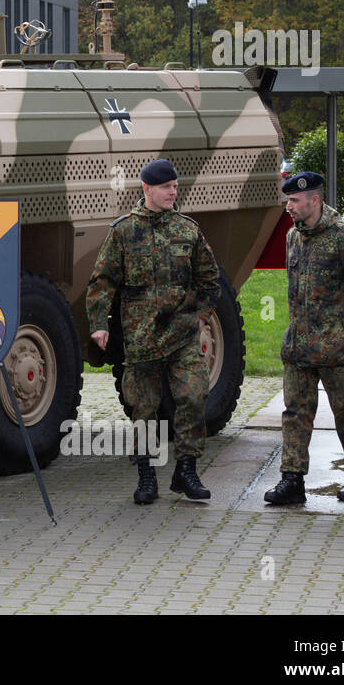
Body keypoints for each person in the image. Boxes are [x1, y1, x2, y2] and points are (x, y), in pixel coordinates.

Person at [86, 158, 221, 504]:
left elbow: (210, 280)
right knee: (144, 408)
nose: (173, 192)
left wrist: (199, 315)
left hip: (182, 335)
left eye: (175, 186)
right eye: (166, 187)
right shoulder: (124, 231)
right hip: (141, 338)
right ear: (147, 189)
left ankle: (186, 470)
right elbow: (103, 281)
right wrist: (100, 324)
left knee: (193, 395)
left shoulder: (188, 230)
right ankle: (146, 475)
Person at [264, 172, 344, 505]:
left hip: (337, 348)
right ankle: (292, 480)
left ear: (314, 200)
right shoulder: (292, 238)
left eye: (294, 201)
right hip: (299, 345)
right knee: (295, 412)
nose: (288, 207)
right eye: (288, 200)